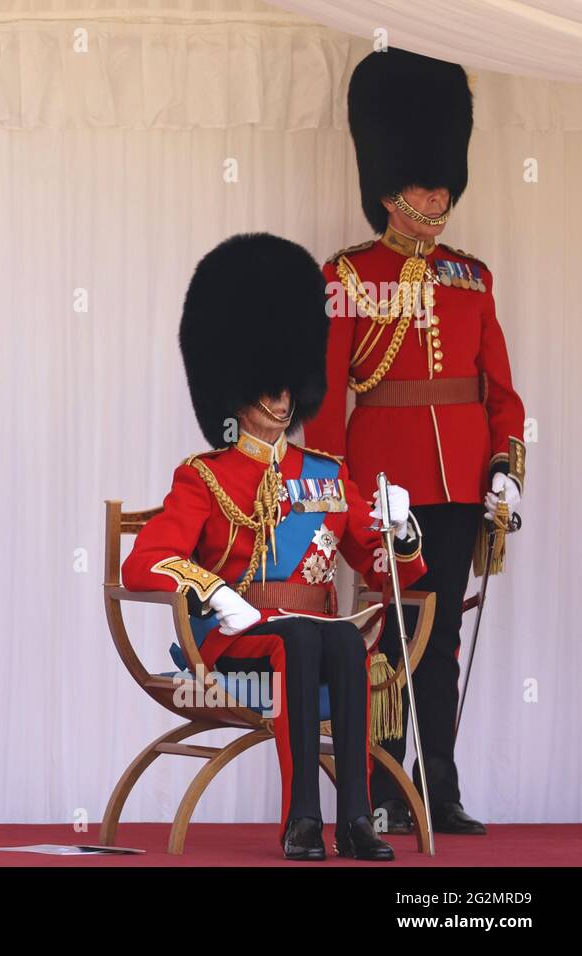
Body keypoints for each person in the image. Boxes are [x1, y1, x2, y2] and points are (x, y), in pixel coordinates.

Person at [122, 233, 428, 860]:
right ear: (236, 389)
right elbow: (144, 562)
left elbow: (382, 564)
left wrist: (402, 531)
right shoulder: (204, 476)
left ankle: (355, 822)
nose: (282, 398)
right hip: (233, 643)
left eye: (289, 384)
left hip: (310, 639)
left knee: (338, 635)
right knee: (303, 638)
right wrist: (212, 590)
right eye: (269, 384)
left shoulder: (326, 473)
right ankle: (300, 820)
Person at [303, 49, 526, 836]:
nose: (436, 193)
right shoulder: (348, 274)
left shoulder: (473, 277)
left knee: (443, 642)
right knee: (388, 642)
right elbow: (328, 400)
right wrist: (333, 493)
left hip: (461, 480)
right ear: (388, 188)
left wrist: (505, 465)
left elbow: (499, 390)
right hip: (382, 483)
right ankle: (384, 789)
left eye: (442, 182)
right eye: (423, 181)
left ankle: (441, 790)